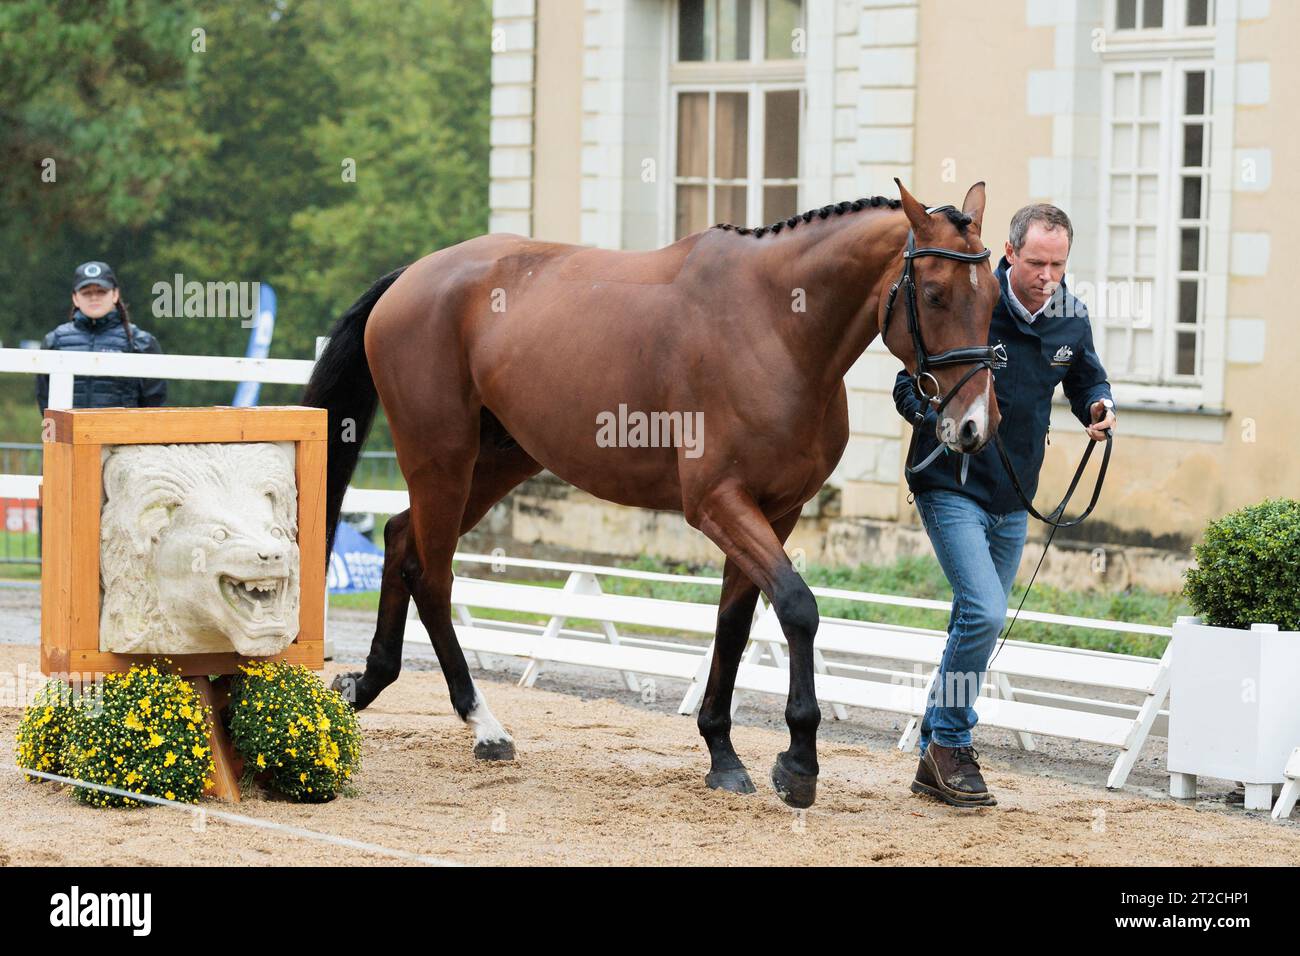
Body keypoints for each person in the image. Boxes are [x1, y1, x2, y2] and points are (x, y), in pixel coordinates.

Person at [892, 203, 1116, 808]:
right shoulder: (976, 301)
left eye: (1059, 264)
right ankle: (953, 743)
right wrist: (934, 417)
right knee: (985, 612)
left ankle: (932, 753)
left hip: (1016, 496)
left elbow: (1086, 379)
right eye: (1038, 262)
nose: (1049, 276)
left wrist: (1097, 407)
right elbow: (906, 384)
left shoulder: (1070, 316)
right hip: (951, 483)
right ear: (1011, 254)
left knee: (974, 619)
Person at [35, 261, 166, 411]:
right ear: (75, 298)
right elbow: (44, 399)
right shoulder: (54, 342)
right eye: (86, 292)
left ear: (115, 294)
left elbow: (154, 403)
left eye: (101, 291)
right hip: (70, 433)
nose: (94, 297)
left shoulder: (140, 342)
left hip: (122, 433)